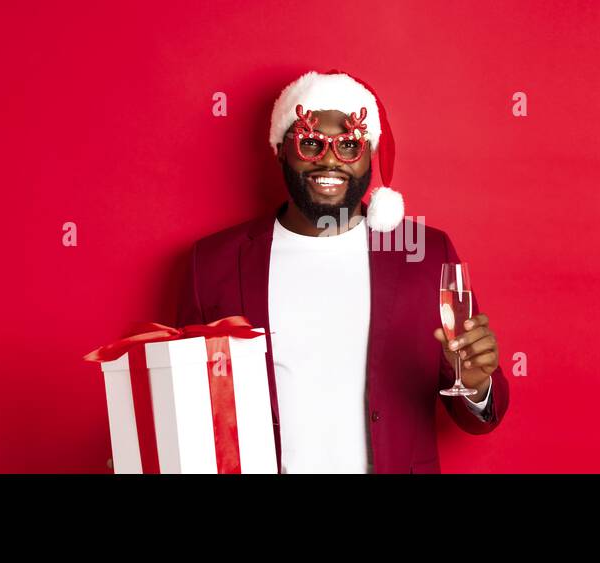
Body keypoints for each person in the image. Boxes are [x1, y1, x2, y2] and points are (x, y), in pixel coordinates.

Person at [175, 70, 509, 473]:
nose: (331, 159)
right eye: (311, 143)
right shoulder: (212, 262)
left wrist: (475, 384)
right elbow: (187, 400)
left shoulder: (425, 253)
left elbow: (477, 417)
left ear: (370, 153)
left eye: (349, 145)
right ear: (281, 148)